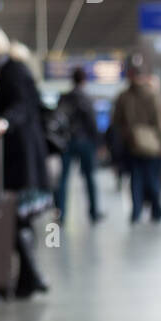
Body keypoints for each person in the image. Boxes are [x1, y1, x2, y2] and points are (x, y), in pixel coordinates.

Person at [0, 24, 51, 298]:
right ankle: (29, 277)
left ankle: (31, 276)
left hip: (21, 157)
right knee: (18, 218)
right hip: (22, 155)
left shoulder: (13, 72)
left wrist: (4, 121)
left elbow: (22, 107)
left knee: (15, 216)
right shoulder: (11, 69)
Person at [110, 56, 161, 223]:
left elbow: (115, 122)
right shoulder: (152, 94)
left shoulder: (123, 97)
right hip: (153, 144)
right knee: (152, 178)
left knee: (136, 179)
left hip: (131, 144)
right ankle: (156, 210)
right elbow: (160, 120)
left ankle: (136, 212)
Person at [55, 67, 103, 223]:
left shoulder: (64, 98)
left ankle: (60, 213)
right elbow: (92, 122)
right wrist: (98, 143)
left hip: (66, 143)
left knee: (63, 179)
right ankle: (94, 212)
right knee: (89, 177)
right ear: (84, 80)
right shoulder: (86, 98)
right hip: (85, 142)